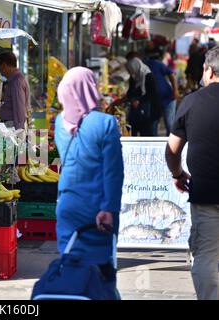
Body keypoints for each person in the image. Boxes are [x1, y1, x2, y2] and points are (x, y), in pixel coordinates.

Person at [54, 67, 124, 297]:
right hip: (97, 209)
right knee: (102, 272)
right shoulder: (105, 123)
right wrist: (109, 208)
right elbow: (113, 172)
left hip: (67, 207)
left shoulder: (58, 123)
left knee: (71, 266)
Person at [165, 46, 219, 300]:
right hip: (206, 196)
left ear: (208, 70)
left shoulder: (192, 101)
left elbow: (172, 149)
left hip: (206, 196)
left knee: (206, 256)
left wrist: (177, 174)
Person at [112, 57, 162, 136]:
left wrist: (139, 101)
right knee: (133, 130)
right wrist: (123, 100)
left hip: (149, 111)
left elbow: (152, 94)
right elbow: (131, 92)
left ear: (134, 67)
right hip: (138, 112)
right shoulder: (134, 76)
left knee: (147, 134)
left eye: (130, 69)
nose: (129, 72)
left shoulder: (148, 75)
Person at [144, 48, 180, 136]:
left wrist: (175, 90)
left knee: (165, 124)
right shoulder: (151, 64)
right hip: (159, 99)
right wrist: (175, 90)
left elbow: (171, 74)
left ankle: (170, 146)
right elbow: (171, 75)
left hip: (167, 98)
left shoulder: (153, 64)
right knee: (167, 124)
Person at [0, 51, 30, 130]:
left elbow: (19, 108)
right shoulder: (14, 80)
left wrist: (19, 132)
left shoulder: (16, 82)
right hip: (11, 126)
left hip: (13, 127)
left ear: (4, 65)